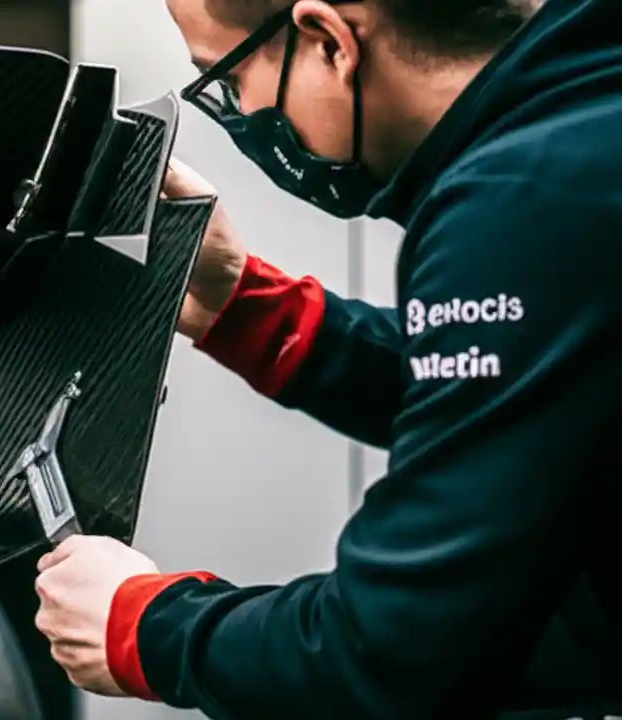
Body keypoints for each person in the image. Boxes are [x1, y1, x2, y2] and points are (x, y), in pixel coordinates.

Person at [32, 0, 622, 717]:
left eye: (227, 78)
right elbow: (524, 404)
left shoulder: (520, 201)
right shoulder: (586, 121)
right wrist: (247, 306)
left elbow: (392, 654)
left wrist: (143, 626)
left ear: (328, 43)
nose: (243, 111)